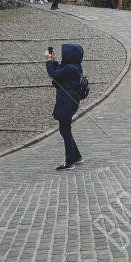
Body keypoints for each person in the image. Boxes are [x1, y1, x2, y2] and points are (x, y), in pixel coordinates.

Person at [46, 43, 86, 171]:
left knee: (65, 130)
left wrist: (48, 61)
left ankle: (70, 162)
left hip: (66, 103)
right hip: (69, 102)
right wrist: (54, 61)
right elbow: (59, 71)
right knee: (65, 129)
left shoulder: (70, 68)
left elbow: (54, 74)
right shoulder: (74, 66)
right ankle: (77, 156)